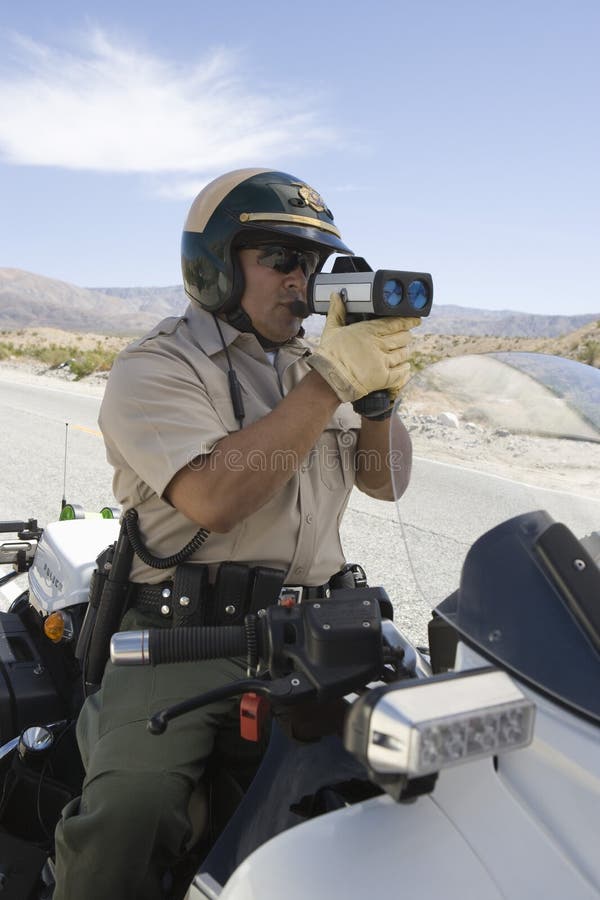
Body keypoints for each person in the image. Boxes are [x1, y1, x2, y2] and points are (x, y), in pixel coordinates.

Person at [53, 168, 420, 899]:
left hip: (315, 631)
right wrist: (328, 386)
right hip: (187, 637)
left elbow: (384, 482)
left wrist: (375, 398)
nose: (301, 281)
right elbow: (215, 499)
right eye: (281, 260)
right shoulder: (158, 365)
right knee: (131, 813)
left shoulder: (319, 367)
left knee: (413, 787)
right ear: (217, 265)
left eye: (311, 265)